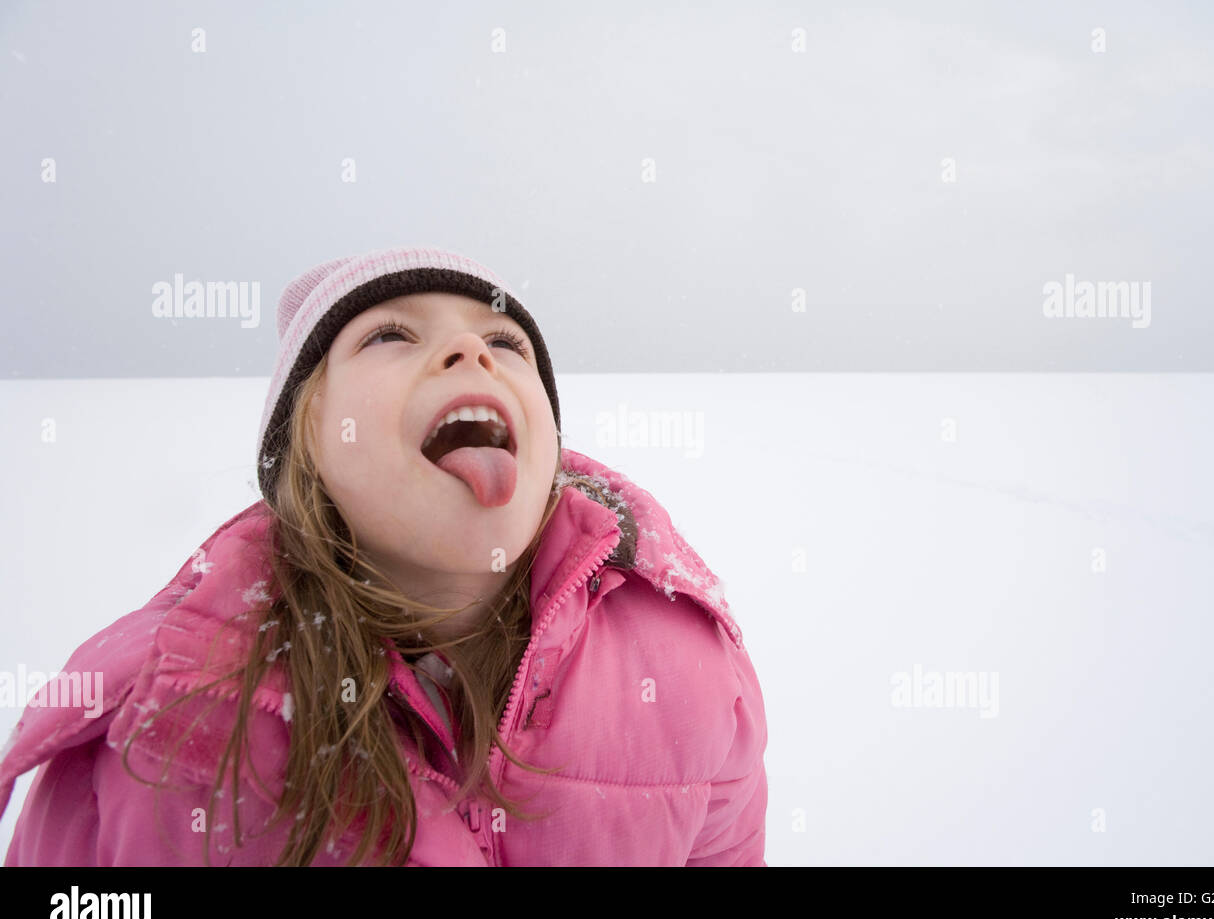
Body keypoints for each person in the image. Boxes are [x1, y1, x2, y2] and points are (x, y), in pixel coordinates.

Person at [0, 245, 767, 866]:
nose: (471, 349)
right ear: (308, 444)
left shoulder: (685, 666)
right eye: (391, 335)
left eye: (506, 342)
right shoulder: (171, 732)